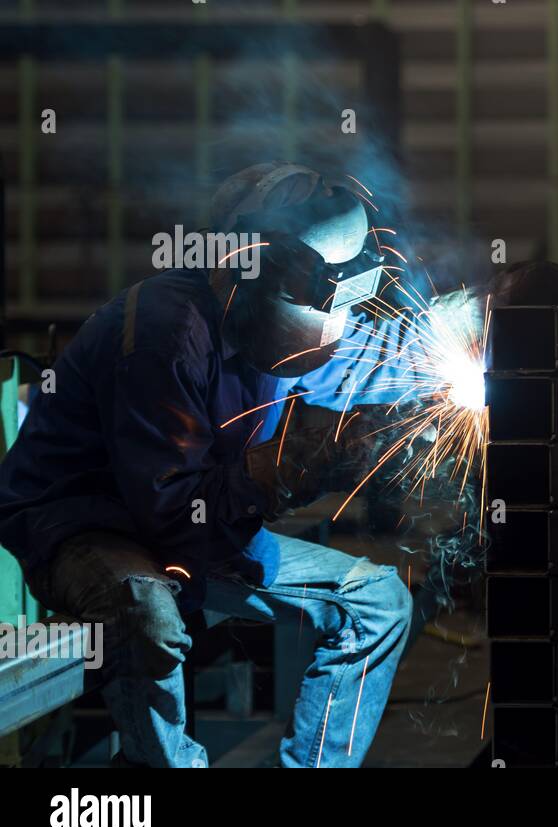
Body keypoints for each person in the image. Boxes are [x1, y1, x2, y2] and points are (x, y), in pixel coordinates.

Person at [0, 162, 422, 767]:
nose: (327, 332)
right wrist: (286, 469)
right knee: (147, 617)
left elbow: (375, 360)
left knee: (377, 604)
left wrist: (473, 347)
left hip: (201, 523)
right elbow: (172, 520)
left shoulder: (306, 312)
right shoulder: (164, 334)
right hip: (85, 524)